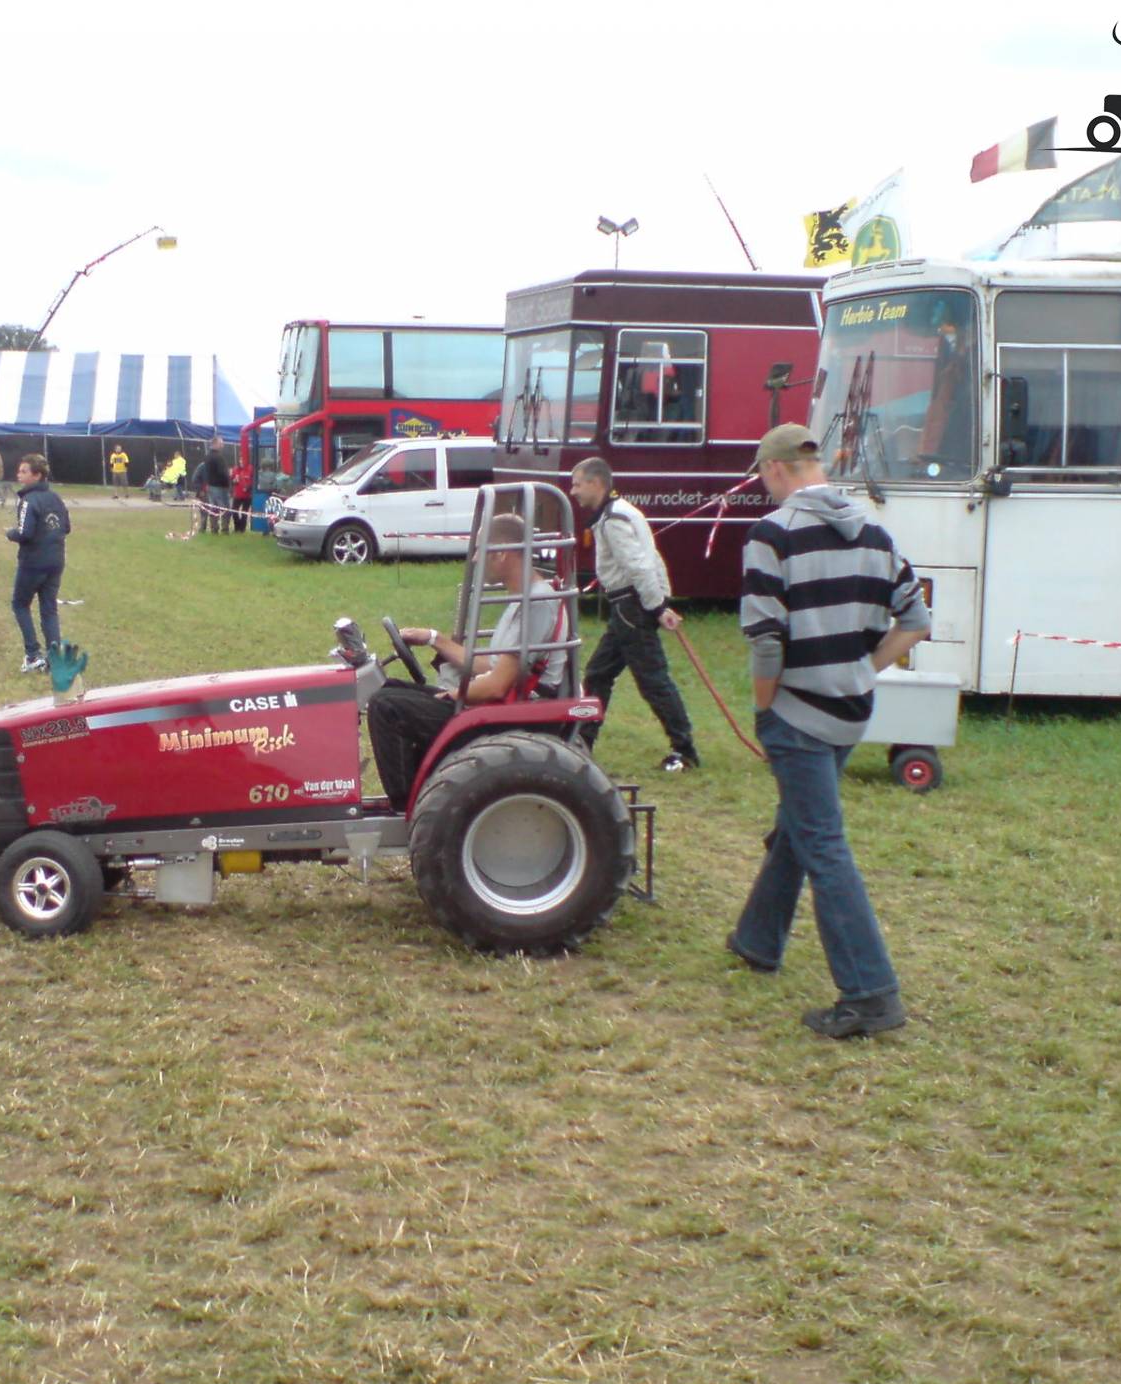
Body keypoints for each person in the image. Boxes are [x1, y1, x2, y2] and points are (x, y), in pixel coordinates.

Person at [728, 424, 931, 1039]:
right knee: (801, 824)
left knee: (822, 844)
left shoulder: (772, 535)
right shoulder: (875, 532)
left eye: (763, 477)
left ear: (775, 469)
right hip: (850, 712)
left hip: (796, 713)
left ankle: (871, 994)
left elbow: (766, 641)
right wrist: (862, 670)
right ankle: (758, 939)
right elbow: (915, 620)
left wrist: (764, 709)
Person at [366, 513, 569, 809]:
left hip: (512, 718)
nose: (474, 559)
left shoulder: (535, 603)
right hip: (505, 705)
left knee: (386, 707)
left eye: (479, 550)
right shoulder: (526, 598)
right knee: (390, 689)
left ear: (501, 553)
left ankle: (408, 807)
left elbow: (497, 685)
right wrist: (433, 638)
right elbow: (492, 666)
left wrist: (453, 694)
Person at [568, 458, 699, 771]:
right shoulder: (623, 511)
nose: (573, 491)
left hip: (631, 606)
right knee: (598, 673)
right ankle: (582, 742)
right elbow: (651, 558)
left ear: (596, 483)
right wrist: (660, 599)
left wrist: (658, 606)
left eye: (577, 484)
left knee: (652, 679)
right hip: (630, 605)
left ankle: (685, 751)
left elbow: (639, 565)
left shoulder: (614, 519)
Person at [6, 453, 71, 674]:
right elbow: (66, 527)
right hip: (56, 561)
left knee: (20, 604)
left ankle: (33, 655)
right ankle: (56, 659)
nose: (19, 474)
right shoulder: (56, 498)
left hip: (33, 562)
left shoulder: (28, 500)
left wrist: (10, 533)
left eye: (24, 471)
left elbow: (25, 533)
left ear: (37, 475)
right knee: (49, 609)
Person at [198, 438, 233, 533]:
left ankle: (214, 528)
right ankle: (225, 529)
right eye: (221, 443)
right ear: (215, 444)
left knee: (213, 508)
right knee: (225, 508)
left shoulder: (207, 457)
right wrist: (229, 477)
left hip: (211, 486)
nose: (223, 445)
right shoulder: (219, 457)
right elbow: (222, 473)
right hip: (220, 487)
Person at [230, 451, 255, 533]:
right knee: (234, 511)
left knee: (244, 513)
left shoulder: (251, 469)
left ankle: (242, 528)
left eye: (243, 460)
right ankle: (237, 527)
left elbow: (254, 481)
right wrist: (234, 481)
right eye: (240, 459)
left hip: (247, 496)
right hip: (237, 495)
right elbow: (231, 480)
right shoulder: (235, 469)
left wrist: (248, 487)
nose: (241, 461)